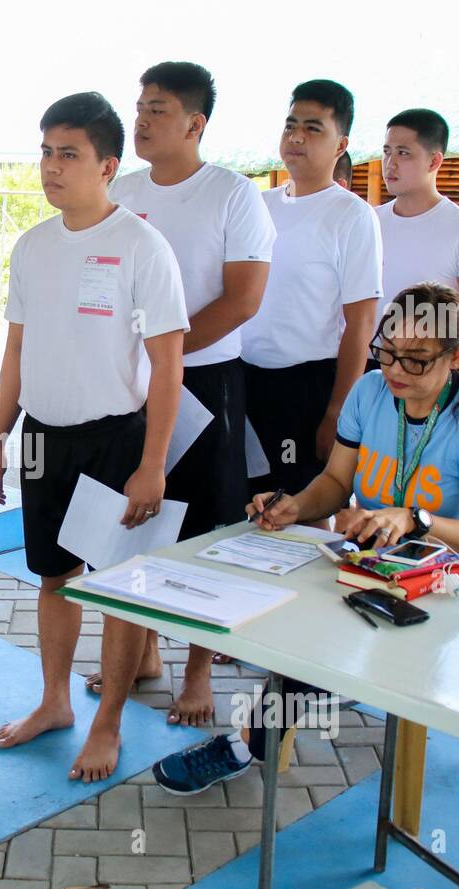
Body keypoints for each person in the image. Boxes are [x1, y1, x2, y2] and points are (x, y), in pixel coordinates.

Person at [153, 283, 459, 794]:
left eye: (414, 360)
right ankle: (277, 719)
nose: (393, 369)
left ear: (457, 356)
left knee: (321, 634)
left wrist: (415, 519)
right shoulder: (370, 392)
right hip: (365, 565)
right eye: (387, 351)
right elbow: (336, 483)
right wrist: (294, 506)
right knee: (281, 608)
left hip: (441, 582)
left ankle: (245, 744)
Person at [0, 92, 187, 781]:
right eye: (45, 151)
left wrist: (153, 463)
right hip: (44, 435)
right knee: (52, 578)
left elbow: (167, 364)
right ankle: (55, 703)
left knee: (121, 587)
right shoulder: (33, 246)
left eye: (68, 154)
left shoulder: (140, 245)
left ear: (107, 165)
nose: (51, 166)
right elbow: (15, 349)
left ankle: (108, 724)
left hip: (117, 438)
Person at [108, 62, 273, 728]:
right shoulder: (117, 189)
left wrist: (164, 356)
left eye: (159, 109)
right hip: (127, 381)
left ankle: (197, 673)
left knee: (208, 528)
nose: (142, 119)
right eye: (140, 105)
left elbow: (242, 299)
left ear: (195, 123)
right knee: (136, 517)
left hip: (205, 379)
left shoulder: (233, 195)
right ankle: (141, 653)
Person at [238, 80, 383, 498]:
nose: (297, 137)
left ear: (341, 144)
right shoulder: (258, 205)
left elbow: (362, 323)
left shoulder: (352, 216)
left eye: (314, 128)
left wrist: (338, 410)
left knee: (300, 507)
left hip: (306, 388)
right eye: (291, 125)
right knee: (243, 504)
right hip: (244, 378)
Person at [378, 109, 459, 378]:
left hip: (429, 372)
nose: (390, 163)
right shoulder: (370, 222)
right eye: (387, 151)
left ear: (434, 161)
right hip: (372, 365)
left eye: (403, 153)